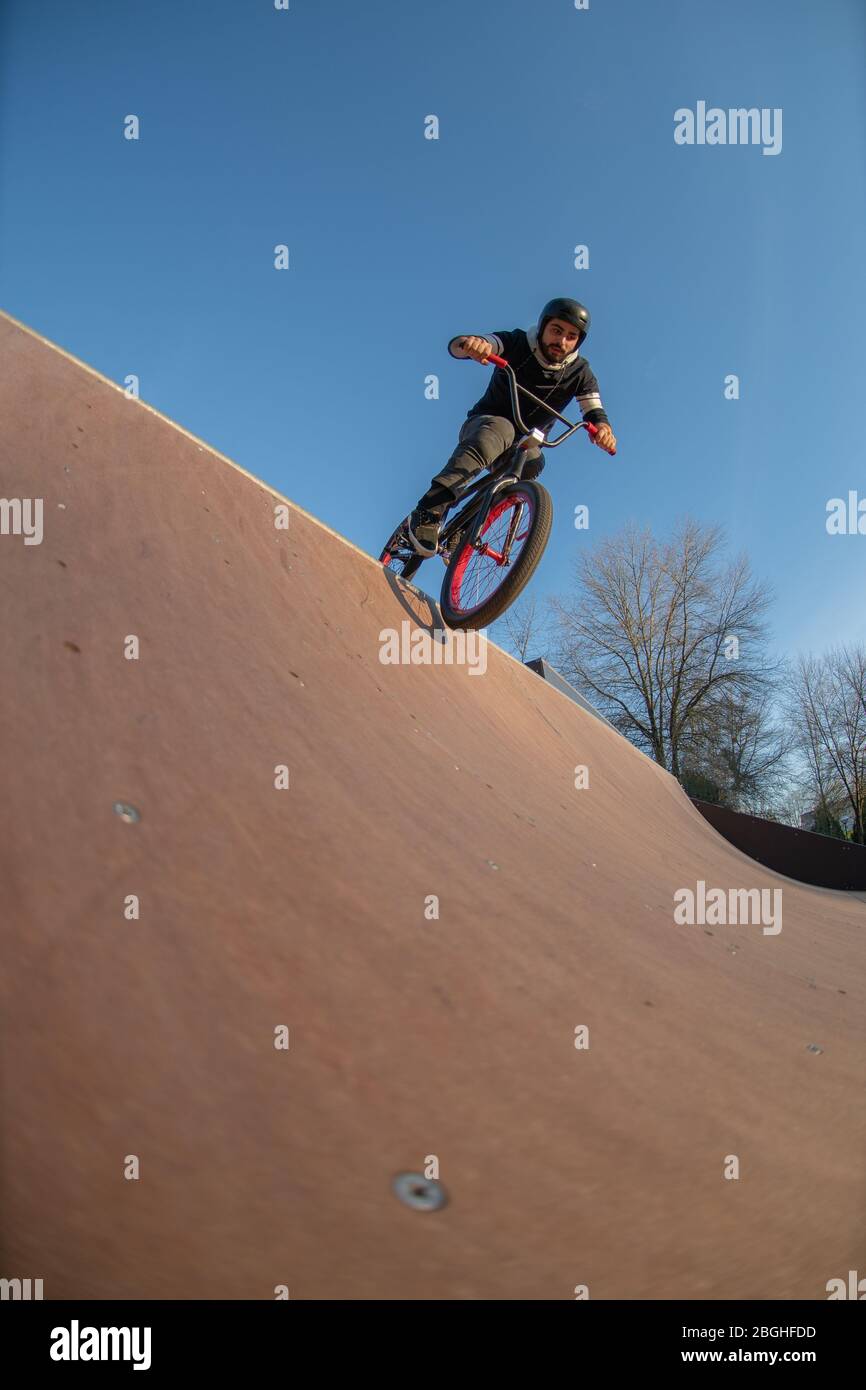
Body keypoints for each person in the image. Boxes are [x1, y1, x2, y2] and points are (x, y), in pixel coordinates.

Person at [406, 296, 617, 556]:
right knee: (501, 431)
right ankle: (429, 510)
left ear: (578, 341)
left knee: (532, 461)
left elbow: (593, 409)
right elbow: (461, 346)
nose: (561, 342)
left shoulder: (580, 372)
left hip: (522, 443)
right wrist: (474, 345)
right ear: (543, 327)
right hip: (486, 424)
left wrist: (603, 430)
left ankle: (467, 526)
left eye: (571, 336)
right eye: (556, 331)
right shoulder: (518, 342)